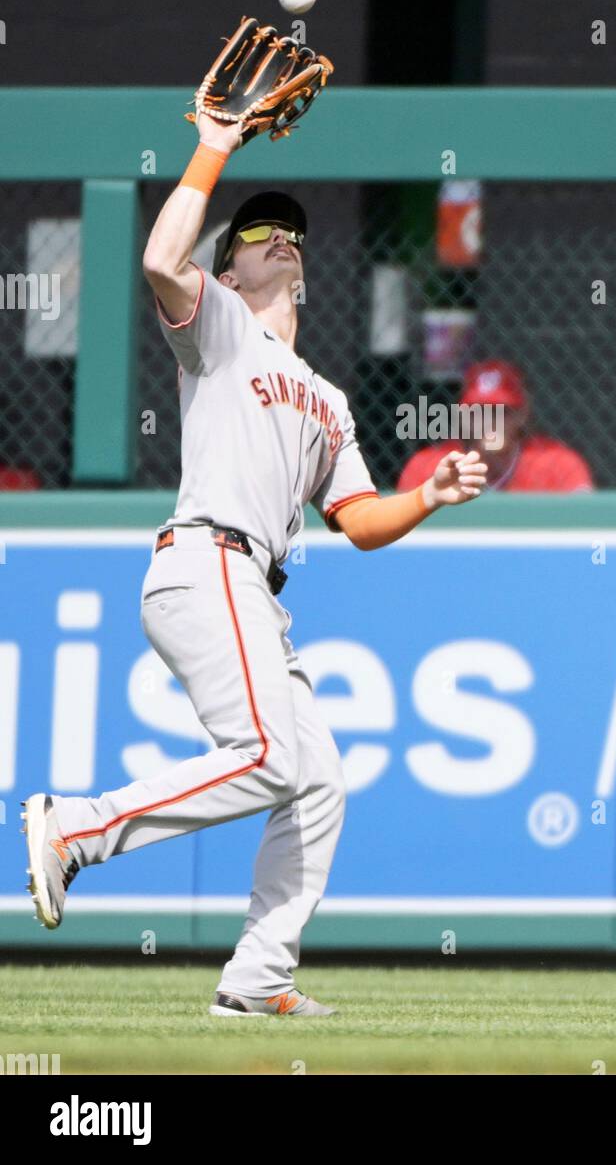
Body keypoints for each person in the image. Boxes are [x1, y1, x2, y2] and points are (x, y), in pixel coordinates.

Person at [22, 111, 487, 1018]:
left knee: (317, 782)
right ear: (228, 268)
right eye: (260, 233)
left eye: (293, 234)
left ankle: (257, 978)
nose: (283, 241)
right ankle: (76, 828)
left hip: (255, 593)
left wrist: (427, 496)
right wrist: (217, 145)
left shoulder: (329, 398)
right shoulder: (221, 325)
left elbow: (356, 519)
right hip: (208, 560)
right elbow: (160, 262)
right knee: (271, 756)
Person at [397, 359, 594, 494]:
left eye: (502, 412)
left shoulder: (557, 465)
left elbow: (587, 528)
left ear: (522, 415)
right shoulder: (427, 466)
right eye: (479, 412)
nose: (490, 422)